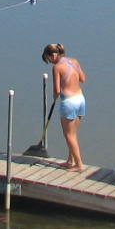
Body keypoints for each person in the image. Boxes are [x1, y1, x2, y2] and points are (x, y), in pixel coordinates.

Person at [43, 42, 87, 172]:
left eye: (49, 58)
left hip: (69, 102)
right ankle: (70, 160)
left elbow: (57, 90)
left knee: (69, 135)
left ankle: (79, 165)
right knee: (73, 133)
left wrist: (55, 96)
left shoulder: (57, 67)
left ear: (54, 55)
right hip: (80, 99)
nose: (50, 62)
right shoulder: (74, 61)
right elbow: (83, 78)